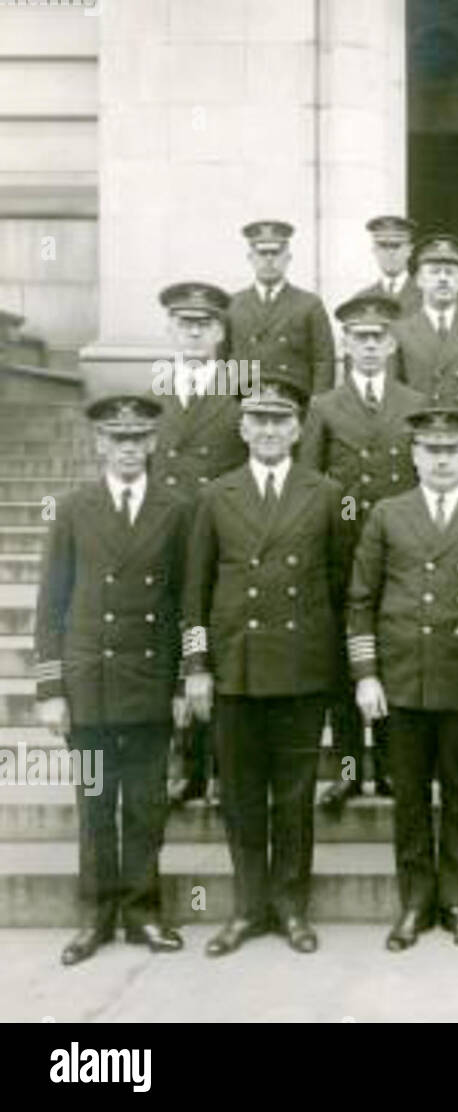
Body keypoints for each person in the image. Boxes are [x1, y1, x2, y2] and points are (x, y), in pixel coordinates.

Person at [183, 375, 350, 957]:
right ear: (243, 428)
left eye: (281, 421)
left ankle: (290, 907)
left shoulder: (326, 493)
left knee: (296, 796)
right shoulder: (216, 495)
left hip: (301, 669)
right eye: (259, 420)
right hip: (237, 668)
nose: (271, 431)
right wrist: (197, 665)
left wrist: (333, 667)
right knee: (242, 796)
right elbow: (195, 591)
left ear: (299, 429)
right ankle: (248, 907)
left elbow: (337, 583)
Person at [347, 407, 458, 952]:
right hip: (401, 679)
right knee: (409, 796)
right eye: (431, 451)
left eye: (452, 451)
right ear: (415, 456)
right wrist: (366, 674)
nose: (442, 461)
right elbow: (361, 600)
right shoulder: (387, 515)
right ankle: (415, 902)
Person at [35, 395, 189, 965]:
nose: (127, 449)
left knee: (147, 804)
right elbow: (50, 604)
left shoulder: (176, 509)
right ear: (100, 444)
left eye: (137, 439)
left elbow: (181, 605)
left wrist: (180, 684)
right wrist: (51, 690)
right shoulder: (73, 508)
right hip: (89, 682)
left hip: (147, 678)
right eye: (116, 439)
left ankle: (144, 912)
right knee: (96, 802)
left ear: (152, 444)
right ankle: (96, 915)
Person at [301, 293, 427, 815]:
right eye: (359, 339)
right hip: (344, 550)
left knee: (394, 654)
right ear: (346, 346)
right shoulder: (323, 407)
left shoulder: (415, 402)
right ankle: (351, 771)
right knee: (343, 662)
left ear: (392, 343)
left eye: (378, 338)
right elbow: (310, 482)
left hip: (400, 547)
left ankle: (396, 771)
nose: (369, 347)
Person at [152, 280, 247, 809]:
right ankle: (178, 765)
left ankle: (217, 769)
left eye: (204, 325)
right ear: (171, 330)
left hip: (216, 540)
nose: (194, 334)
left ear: (219, 333)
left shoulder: (239, 400)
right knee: (170, 647)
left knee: (217, 646)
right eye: (184, 325)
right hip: (163, 540)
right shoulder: (152, 398)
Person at [226, 220, 336, 397]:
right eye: (262, 253)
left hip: (293, 398)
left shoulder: (309, 304)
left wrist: (317, 410)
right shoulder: (232, 304)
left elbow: (323, 361)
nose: (269, 259)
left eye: (276, 253)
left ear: (288, 258)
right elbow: (220, 361)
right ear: (250, 258)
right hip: (244, 398)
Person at [391, 233, 458, 408]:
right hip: (418, 428)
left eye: (450, 272)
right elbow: (391, 388)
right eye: (435, 272)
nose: (443, 279)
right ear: (419, 281)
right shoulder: (399, 332)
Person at [352, 215, 422, 317]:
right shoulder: (362, 300)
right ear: (374, 250)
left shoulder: (427, 297)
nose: (390, 253)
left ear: (409, 250)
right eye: (383, 246)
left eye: (396, 246)